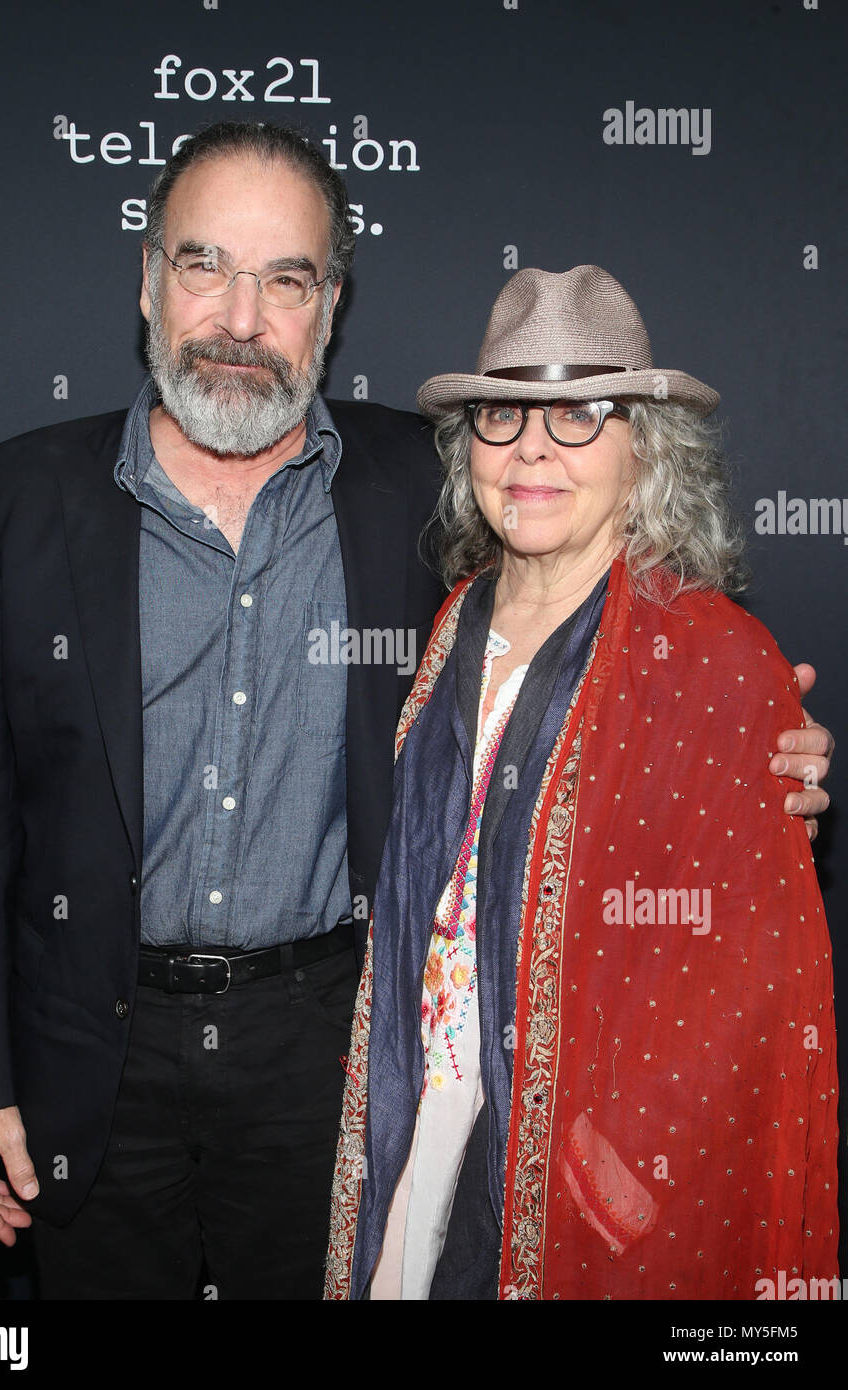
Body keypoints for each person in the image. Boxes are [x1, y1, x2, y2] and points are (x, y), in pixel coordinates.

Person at [0, 122, 828, 1301]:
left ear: (329, 307)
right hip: (93, 1047)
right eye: (205, 267)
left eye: (284, 280)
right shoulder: (13, 500)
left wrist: (752, 763)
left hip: (338, 1052)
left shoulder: (421, 489)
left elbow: (597, 655)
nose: (241, 318)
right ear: (147, 282)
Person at [325, 265, 838, 1301]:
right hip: (421, 1105)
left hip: (585, 1151)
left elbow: (751, 989)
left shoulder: (713, 653)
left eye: (579, 415)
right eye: (503, 416)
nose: (531, 451)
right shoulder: (453, 622)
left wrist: (608, 1161)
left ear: (643, 445)